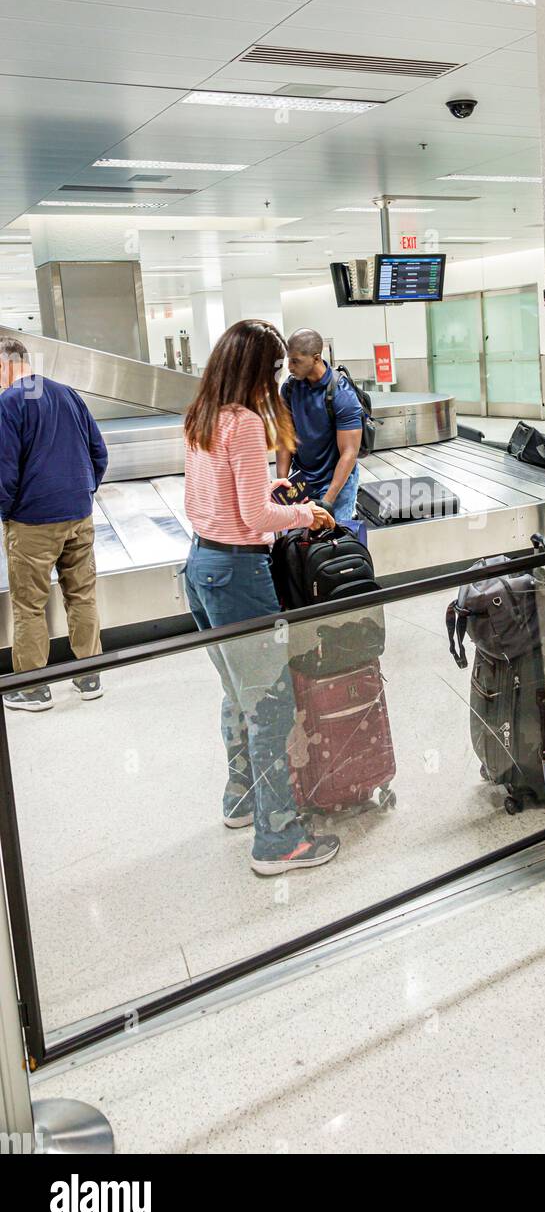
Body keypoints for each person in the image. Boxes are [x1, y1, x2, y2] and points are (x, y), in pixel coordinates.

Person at [183, 319, 340, 876]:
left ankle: (241, 799)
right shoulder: (245, 423)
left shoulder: (203, 416)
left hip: (199, 566)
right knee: (270, 705)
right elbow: (254, 518)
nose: (277, 379)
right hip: (237, 572)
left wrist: (267, 492)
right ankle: (279, 841)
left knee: (236, 693)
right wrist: (305, 512)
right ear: (255, 368)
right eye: (273, 368)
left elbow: (217, 497)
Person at [0, 335, 108, 712]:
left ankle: (34, 687)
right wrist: (86, 490)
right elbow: (99, 451)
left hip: (32, 520)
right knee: (82, 594)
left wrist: (5, 512)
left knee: (29, 604)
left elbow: (4, 470)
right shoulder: (68, 394)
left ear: (4, 364)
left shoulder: (9, 403)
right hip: (79, 513)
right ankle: (90, 675)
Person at [275, 329, 363, 521]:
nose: (289, 367)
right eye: (288, 360)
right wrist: (282, 483)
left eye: (296, 361)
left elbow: (349, 452)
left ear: (316, 358)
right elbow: (284, 439)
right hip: (301, 480)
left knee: (332, 542)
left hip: (336, 482)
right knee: (300, 540)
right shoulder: (290, 388)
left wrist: (327, 502)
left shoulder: (341, 393)